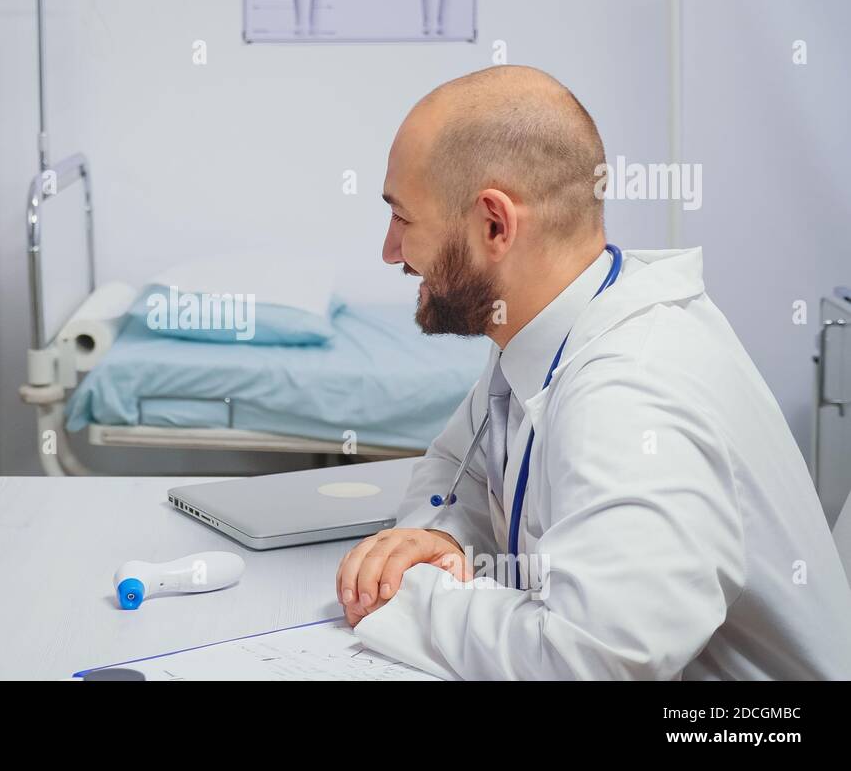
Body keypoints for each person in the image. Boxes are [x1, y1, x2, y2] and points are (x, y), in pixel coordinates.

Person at [336, 65, 851, 679]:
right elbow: (458, 468)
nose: (390, 251)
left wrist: (409, 599)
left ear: (495, 225)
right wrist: (442, 540)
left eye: (404, 219)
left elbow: (591, 660)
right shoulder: (549, 329)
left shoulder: (631, 392)